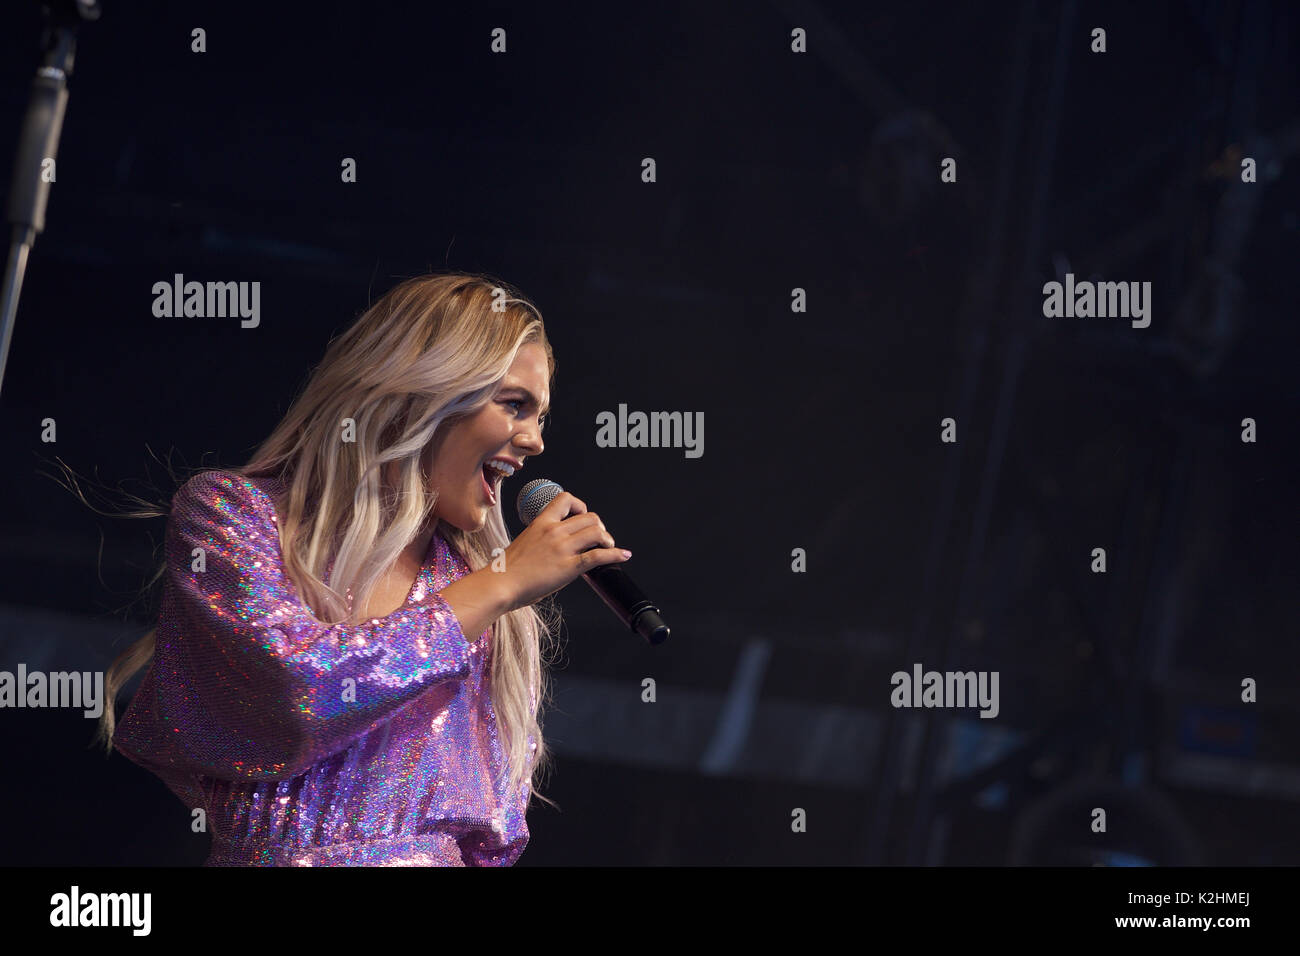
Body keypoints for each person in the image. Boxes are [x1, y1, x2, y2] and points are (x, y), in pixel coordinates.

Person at [96, 272, 632, 865]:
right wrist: (501, 584)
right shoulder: (237, 517)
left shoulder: (482, 594)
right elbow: (299, 687)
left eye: (540, 416)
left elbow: (495, 836)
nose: (533, 440)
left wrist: (497, 590)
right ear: (423, 395)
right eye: (514, 404)